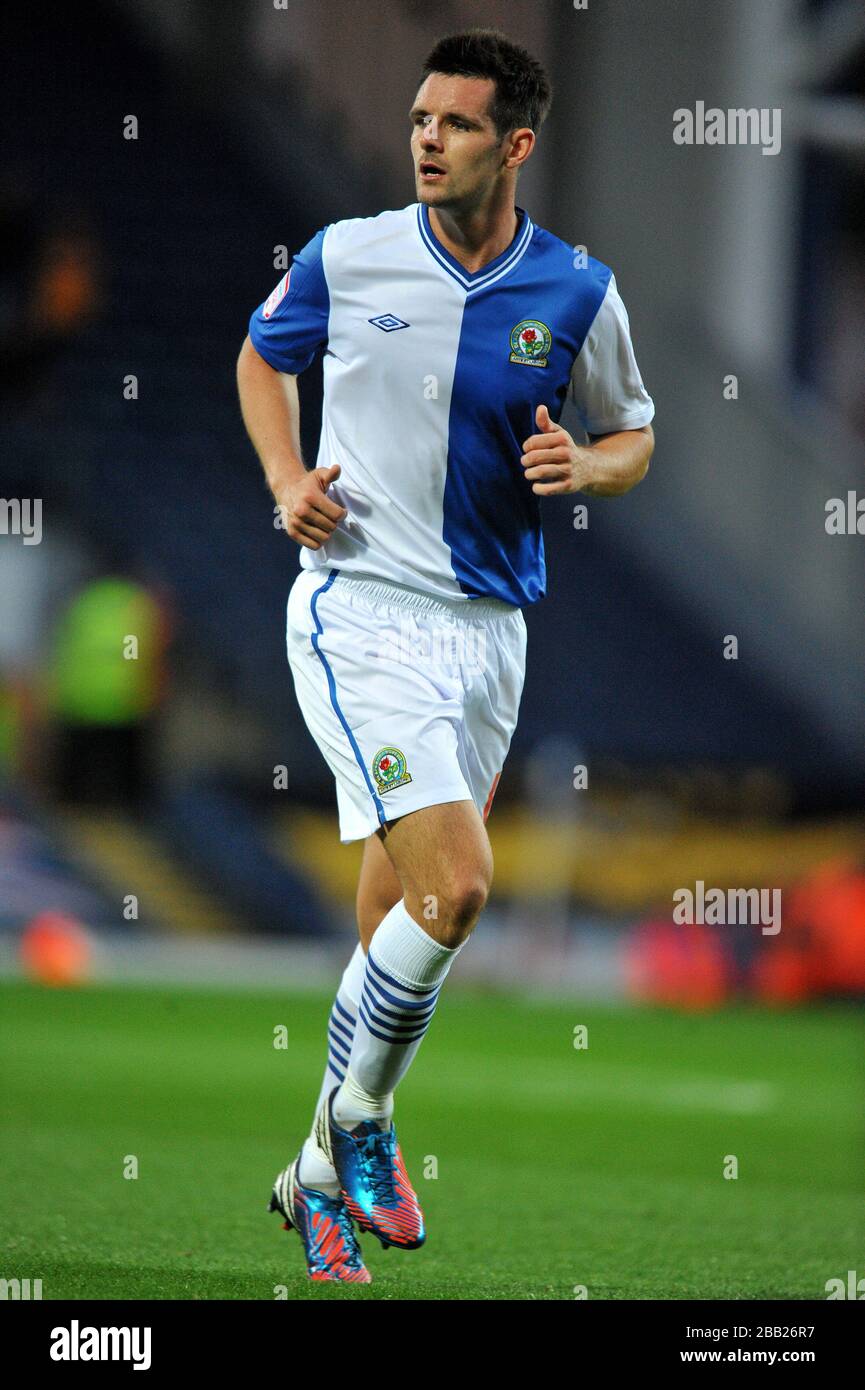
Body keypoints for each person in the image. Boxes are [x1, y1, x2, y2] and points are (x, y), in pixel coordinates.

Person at [237, 27, 655, 1283]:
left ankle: (311, 1170)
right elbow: (263, 359)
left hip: (488, 638)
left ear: (515, 144)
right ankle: (363, 1122)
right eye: (421, 117)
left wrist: (584, 466)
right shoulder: (346, 252)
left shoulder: (577, 289)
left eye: (457, 123)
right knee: (459, 887)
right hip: (359, 607)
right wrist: (282, 478)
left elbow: (634, 432)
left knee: (396, 914)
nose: (427, 137)